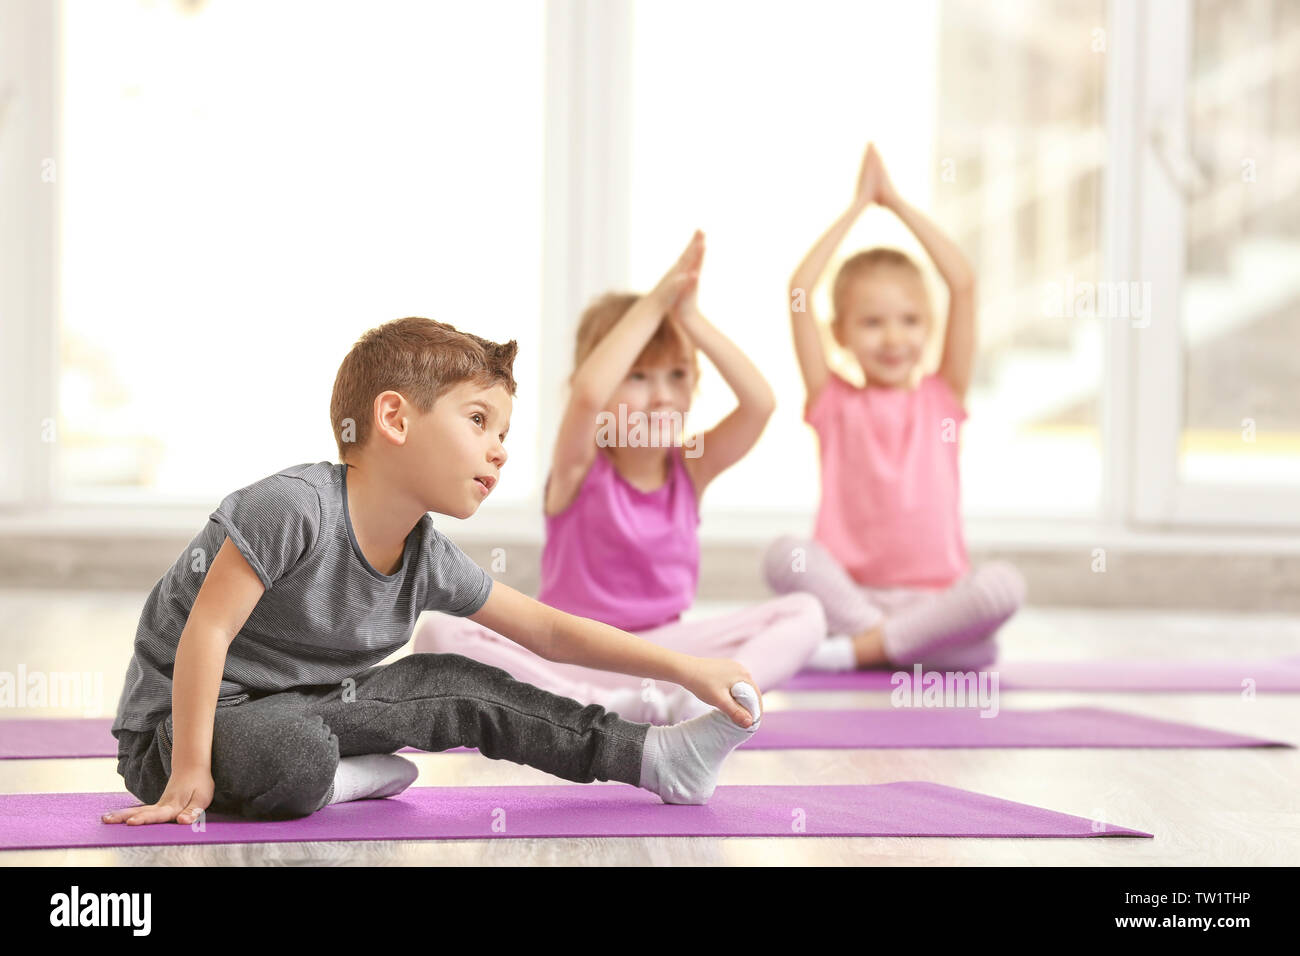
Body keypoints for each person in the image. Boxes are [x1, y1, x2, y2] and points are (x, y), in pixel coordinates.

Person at [104, 310, 763, 826]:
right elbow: (207, 632)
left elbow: (550, 634)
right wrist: (189, 768)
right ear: (393, 417)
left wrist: (686, 669)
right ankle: (340, 777)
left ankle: (654, 759)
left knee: (453, 681)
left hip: (312, 713)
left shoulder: (428, 556)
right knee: (292, 752)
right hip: (176, 735)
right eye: (479, 421)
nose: (498, 451)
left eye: (503, 434)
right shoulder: (292, 508)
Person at [415, 231, 824, 722]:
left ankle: (697, 701)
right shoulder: (578, 466)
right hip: (571, 651)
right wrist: (658, 299)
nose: (662, 396)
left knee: (806, 613)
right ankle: (601, 706)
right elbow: (588, 394)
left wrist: (689, 316)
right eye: (638, 376)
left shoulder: (690, 467)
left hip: (662, 657)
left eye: (676, 376)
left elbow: (760, 403)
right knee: (440, 633)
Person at [763, 143, 1025, 672]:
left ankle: (862, 651)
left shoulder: (942, 397)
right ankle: (889, 644)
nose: (893, 338)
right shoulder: (832, 401)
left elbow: (963, 284)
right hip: (850, 597)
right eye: (871, 322)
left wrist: (897, 204)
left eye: (909, 320)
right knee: (784, 554)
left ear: (929, 328)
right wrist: (858, 208)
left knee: (1003, 587)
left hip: (933, 600)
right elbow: (799, 290)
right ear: (840, 333)